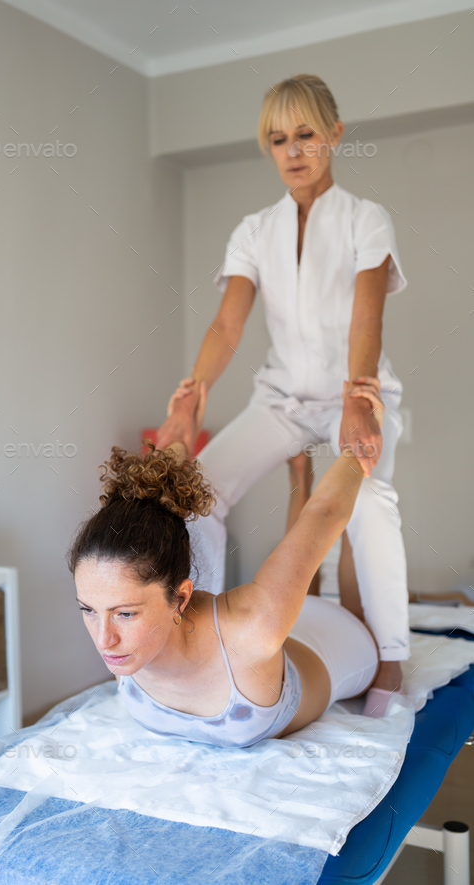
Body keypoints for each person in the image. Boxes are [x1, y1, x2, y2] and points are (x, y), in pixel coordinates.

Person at [155, 74, 409, 711]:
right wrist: (192, 395)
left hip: (356, 391)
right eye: (278, 139)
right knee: (198, 495)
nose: (293, 150)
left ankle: (391, 662)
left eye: (305, 135)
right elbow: (228, 323)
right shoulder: (254, 230)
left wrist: (359, 396)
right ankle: (207, 631)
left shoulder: (366, 220)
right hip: (282, 399)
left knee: (369, 503)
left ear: (333, 135)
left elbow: (366, 319)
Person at [67, 380, 394, 750]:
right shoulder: (123, 639)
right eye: (88, 610)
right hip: (271, 642)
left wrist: (358, 445)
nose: (103, 639)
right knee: (288, 585)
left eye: (125, 614)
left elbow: (324, 515)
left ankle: (304, 475)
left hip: (337, 640)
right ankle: (299, 473)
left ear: (181, 596)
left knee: (339, 559)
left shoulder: (254, 627)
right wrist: (180, 425)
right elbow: (157, 497)